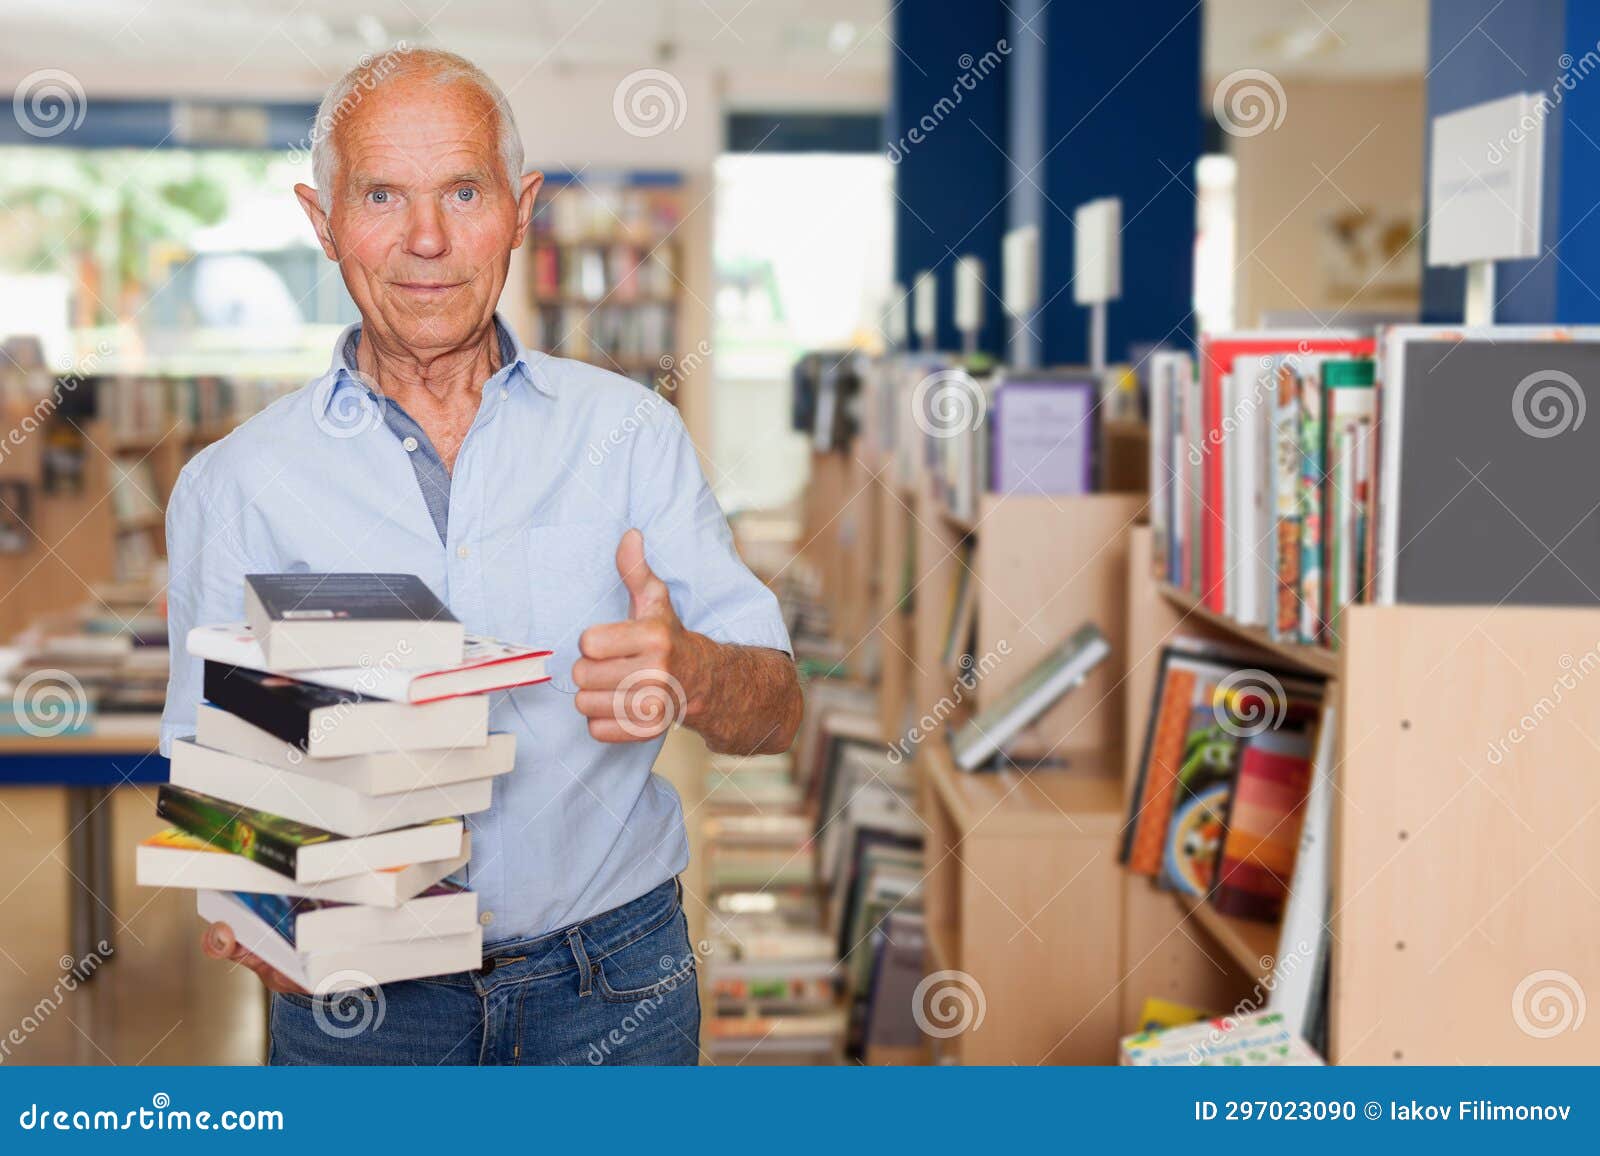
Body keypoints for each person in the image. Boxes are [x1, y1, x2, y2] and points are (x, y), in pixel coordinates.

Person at [159, 47, 802, 1066]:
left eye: (463, 190)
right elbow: (212, 768)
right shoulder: (232, 484)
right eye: (380, 194)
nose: (426, 238)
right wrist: (258, 906)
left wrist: (696, 668)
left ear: (521, 205)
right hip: (359, 1008)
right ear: (321, 219)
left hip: (614, 983)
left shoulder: (631, 436)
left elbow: (777, 710)